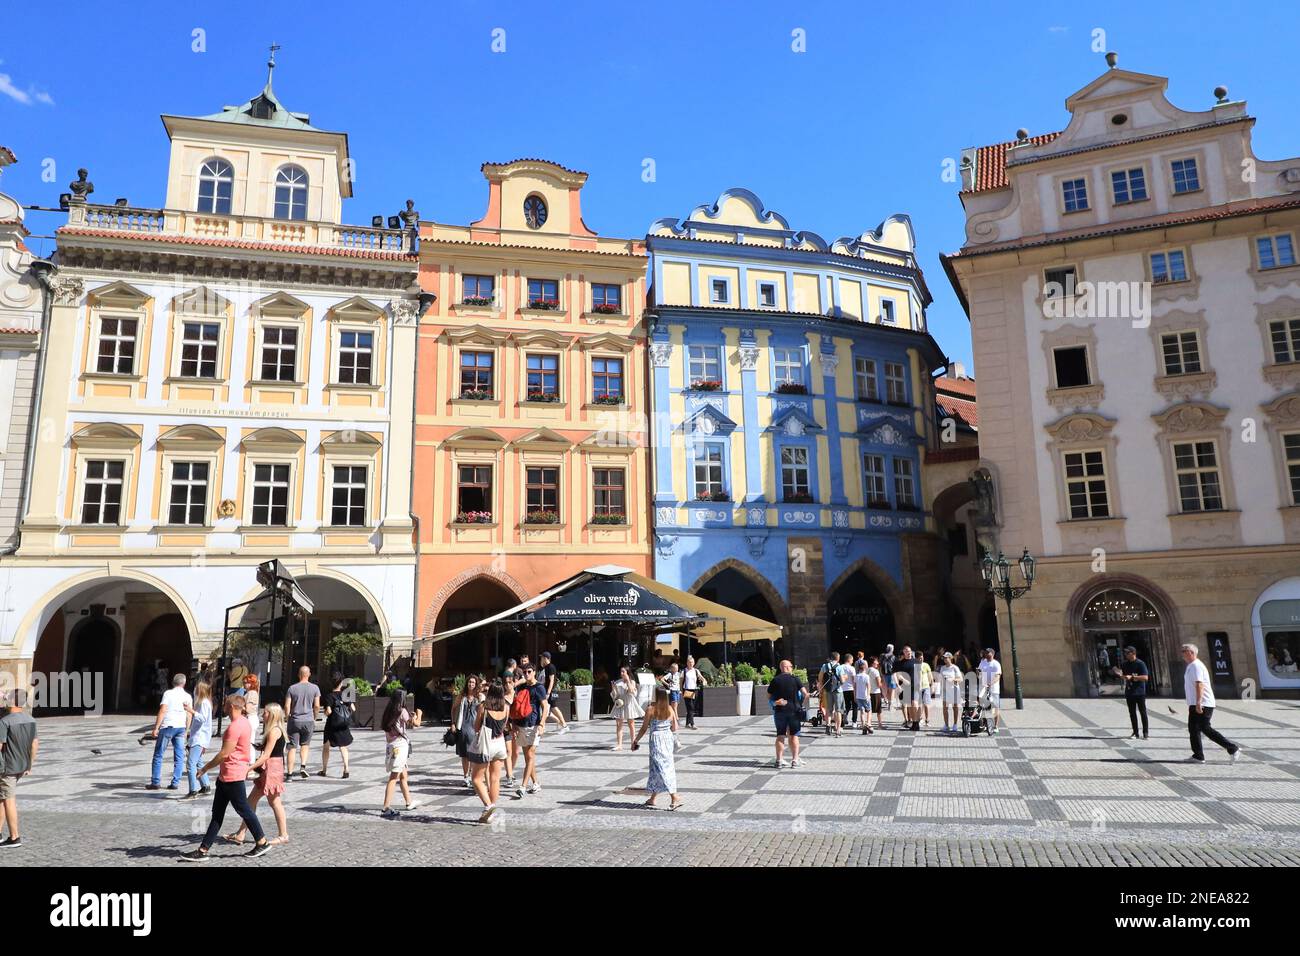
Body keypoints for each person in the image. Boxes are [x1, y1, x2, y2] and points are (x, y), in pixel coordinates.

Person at [180, 694, 272, 860]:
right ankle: (203, 850)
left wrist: (205, 768)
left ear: (231, 707)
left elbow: (224, 753)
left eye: (225, 704)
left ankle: (262, 841)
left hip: (232, 775)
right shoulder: (244, 722)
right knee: (218, 814)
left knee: (243, 809)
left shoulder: (235, 727)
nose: (223, 706)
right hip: (227, 776)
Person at [228, 702, 289, 846]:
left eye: (266, 712)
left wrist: (250, 767)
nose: (263, 714)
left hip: (272, 768)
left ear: (273, 715)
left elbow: (267, 755)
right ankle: (241, 834)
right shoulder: (273, 730)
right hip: (268, 768)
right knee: (250, 802)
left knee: (274, 802)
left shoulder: (274, 731)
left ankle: (284, 835)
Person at [1181, 644, 1240, 763]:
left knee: (1205, 728)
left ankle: (1232, 748)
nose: (1182, 653)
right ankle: (1198, 756)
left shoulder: (1196, 666)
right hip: (1195, 703)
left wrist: (1198, 702)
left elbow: (1199, 684)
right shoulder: (1191, 666)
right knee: (1193, 729)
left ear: (1191, 653)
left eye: (1184, 651)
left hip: (1203, 703)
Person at [0, 688, 38, 849]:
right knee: (2, 798)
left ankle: (15, 837)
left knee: (8, 800)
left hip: (7, 767)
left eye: (8, 698)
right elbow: (34, 744)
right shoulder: (31, 719)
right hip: (21, 765)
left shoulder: (5, 721)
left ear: (13, 701)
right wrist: (30, 764)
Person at [633, 687, 682, 810]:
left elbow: (644, 728)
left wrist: (636, 740)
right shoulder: (670, 709)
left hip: (656, 740)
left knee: (662, 768)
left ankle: (674, 797)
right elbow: (675, 726)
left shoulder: (651, 709)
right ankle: (653, 798)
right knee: (659, 768)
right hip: (667, 738)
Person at [469, 681, 510, 825]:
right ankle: (490, 812)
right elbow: (504, 726)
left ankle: (489, 805)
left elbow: (476, 727)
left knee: (476, 778)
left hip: (487, 743)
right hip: (500, 743)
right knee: (495, 779)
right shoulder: (506, 708)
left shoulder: (483, 707)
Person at [507, 664, 549, 798]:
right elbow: (515, 707)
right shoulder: (522, 687)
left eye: (529, 671)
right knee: (528, 758)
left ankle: (523, 786)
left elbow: (545, 707)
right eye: (524, 672)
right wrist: (513, 724)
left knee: (530, 755)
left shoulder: (539, 688)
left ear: (534, 672)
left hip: (534, 725)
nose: (526, 674)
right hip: (521, 725)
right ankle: (535, 783)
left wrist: (542, 724)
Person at [380, 689, 422, 816]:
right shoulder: (402, 711)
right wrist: (419, 714)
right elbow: (416, 724)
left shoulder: (388, 711)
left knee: (403, 775)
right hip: (400, 746)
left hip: (391, 746)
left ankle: (409, 802)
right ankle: (386, 808)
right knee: (394, 777)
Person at [147, 673, 192, 791]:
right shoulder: (188, 696)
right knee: (179, 756)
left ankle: (155, 782)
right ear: (184, 683)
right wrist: (186, 730)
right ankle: (175, 782)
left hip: (168, 726)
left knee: (158, 754)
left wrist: (156, 727)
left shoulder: (168, 693)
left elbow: (163, 710)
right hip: (180, 727)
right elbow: (189, 714)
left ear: (173, 682)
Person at [283, 666, 321, 779]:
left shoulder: (292, 688)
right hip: (308, 720)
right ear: (309, 674)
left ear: (298, 674)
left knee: (292, 747)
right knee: (305, 745)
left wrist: (287, 717)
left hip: (294, 720)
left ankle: (289, 774)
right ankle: (303, 766)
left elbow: (286, 705)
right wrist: (315, 717)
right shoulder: (315, 688)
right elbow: (317, 706)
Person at [766, 659, 804, 767]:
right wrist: (800, 704)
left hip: (780, 712)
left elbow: (768, 697)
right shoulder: (795, 679)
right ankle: (795, 760)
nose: (792, 668)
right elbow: (805, 693)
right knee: (794, 736)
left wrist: (775, 703)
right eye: (791, 666)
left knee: (780, 735)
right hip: (794, 711)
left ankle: (779, 760)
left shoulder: (775, 680)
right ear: (787, 667)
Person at [319, 672, 355, 778]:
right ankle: (346, 769)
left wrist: (326, 712)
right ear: (341, 683)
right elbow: (353, 708)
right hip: (343, 725)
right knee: (343, 746)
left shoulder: (329, 696)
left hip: (332, 725)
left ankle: (324, 770)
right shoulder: (345, 694)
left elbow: (329, 712)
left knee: (326, 746)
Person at [182, 681, 214, 798]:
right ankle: (205, 785)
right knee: (199, 762)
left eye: (196, 689)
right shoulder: (202, 703)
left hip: (199, 738)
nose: (194, 691)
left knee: (191, 764)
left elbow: (202, 719)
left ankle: (193, 790)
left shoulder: (204, 703)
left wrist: (191, 711)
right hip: (198, 736)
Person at [452, 674, 483, 787]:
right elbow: (453, 708)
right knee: (464, 754)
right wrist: (453, 723)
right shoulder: (462, 696)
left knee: (473, 754)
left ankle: (472, 774)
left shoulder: (479, 697)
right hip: (463, 727)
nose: (471, 684)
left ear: (476, 684)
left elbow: (484, 712)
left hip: (474, 728)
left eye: (473, 682)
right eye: (469, 682)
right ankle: (466, 776)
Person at [610, 665, 644, 750]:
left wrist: (628, 680)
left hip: (629, 703)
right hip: (621, 703)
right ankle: (619, 745)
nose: (621, 673)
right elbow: (615, 696)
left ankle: (633, 743)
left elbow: (632, 692)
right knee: (618, 724)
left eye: (623, 672)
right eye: (621, 672)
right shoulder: (618, 682)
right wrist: (613, 688)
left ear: (627, 673)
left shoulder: (632, 682)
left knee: (631, 724)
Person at [1120, 646, 1150, 740]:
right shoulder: (1125, 664)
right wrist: (1121, 675)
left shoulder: (1140, 664)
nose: (1126, 655)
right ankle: (1135, 732)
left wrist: (1133, 678)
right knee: (1132, 713)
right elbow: (1125, 675)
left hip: (1139, 691)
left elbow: (1145, 677)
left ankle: (1145, 732)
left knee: (1143, 712)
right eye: (1125, 653)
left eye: (1127, 653)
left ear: (1133, 653)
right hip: (1129, 691)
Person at [891, 646, 924, 731]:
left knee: (914, 703)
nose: (908, 652)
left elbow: (919, 673)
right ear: (904, 653)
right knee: (909, 705)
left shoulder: (916, 661)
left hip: (915, 685)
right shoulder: (900, 663)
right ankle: (914, 723)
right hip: (905, 686)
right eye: (906, 651)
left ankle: (916, 722)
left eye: (909, 651)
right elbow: (897, 674)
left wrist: (920, 683)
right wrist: (903, 680)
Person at [539, 652, 570, 735]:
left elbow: (552, 680)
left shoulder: (551, 667)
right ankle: (545, 726)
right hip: (548, 691)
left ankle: (564, 725)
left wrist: (548, 692)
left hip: (550, 691)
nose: (541, 659)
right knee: (547, 708)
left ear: (545, 658)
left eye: (542, 658)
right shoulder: (546, 667)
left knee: (553, 708)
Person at [817, 652, 844, 737]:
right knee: (838, 710)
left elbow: (820, 678)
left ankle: (828, 725)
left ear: (831, 658)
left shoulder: (824, 666)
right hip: (838, 691)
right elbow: (842, 681)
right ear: (838, 658)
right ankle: (838, 730)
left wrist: (821, 689)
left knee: (829, 709)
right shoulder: (840, 667)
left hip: (828, 690)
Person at [978, 648, 1003, 733]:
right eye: (986, 652)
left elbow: (998, 676)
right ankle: (985, 725)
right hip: (984, 688)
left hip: (994, 689)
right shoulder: (983, 662)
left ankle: (995, 726)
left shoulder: (996, 664)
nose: (986, 654)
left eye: (988, 652)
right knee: (985, 707)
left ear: (992, 654)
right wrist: (979, 676)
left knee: (995, 707)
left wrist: (990, 683)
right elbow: (979, 672)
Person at [938, 653, 963, 733]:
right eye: (944, 658)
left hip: (954, 690)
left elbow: (960, 679)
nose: (945, 659)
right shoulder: (942, 668)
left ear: (950, 658)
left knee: (955, 707)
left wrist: (952, 680)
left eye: (946, 658)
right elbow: (940, 678)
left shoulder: (955, 668)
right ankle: (946, 725)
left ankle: (955, 724)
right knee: (945, 708)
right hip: (945, 690)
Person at [680, 655, 707, 729]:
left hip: (694, 690)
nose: (691, 663)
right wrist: (681, 690)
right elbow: (681, 681)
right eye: (689, 662)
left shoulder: (696, 671)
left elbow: (701, 678)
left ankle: (687, 723)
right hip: (687, 690)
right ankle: (692, 724)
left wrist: (704, 681)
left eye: (692, 662)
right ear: (687, 663)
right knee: (690, 707)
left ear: (694, 663)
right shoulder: (684, 671)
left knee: (691, 708)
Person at [240, 673, 261, 749]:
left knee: (249, 743)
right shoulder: (251, 692)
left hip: (250, 718)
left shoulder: (251, 693)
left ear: (251, 683)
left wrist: (238, 706)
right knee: (249, 742)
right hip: (251, 718)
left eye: (246, 683)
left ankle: (250, 760)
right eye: (243, 682)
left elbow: (248, 709)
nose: (244, 684)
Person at [853, 659, 873, 734]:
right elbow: (868, 687)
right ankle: (868, 723)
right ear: (865, 668)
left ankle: (863, 725)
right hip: (865, 696)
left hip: (858, 696)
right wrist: (868, 695)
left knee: (862, 711)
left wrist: (855, 696)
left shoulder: (856, 676)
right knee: (869, 710)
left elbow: (854, 687)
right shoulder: (866, 676)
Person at [838, 654, 857, 728]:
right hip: (851, 689)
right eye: (852, 660)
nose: (852, 662)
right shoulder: (851, 668)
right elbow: (854, 680)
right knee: (855, 705)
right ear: (849, 660)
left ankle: (844, 716)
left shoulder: (840, 667)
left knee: (845, 705)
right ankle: (854, 722)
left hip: (842, 689)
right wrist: (856, 689)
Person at [867, 656, 885, 731]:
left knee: (869, 710)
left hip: (868, 692)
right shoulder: (875, 671)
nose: (878, 663)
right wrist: (882, 683)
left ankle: (869, 723)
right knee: (879, 710)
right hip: (876, 692)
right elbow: (879, 684)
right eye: (876, 661)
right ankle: (880, 724)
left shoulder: (867, 670)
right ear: (873, 662)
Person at [879, 644, 897, 714]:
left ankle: (889, 702)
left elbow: (880, 666)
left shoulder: (882, 656)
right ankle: (890, 703)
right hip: (891, 674)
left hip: (885, 674)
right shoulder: (893, 657)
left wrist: (881, 674)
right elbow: (895, 667)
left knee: (887, 690)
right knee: (891, 690)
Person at [918, 655, 934, 728]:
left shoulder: (926, 665)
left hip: (926, 686)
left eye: (922, 657)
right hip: (917, 688)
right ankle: (920, 719)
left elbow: (930, 675)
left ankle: (927, 720)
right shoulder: (915, 665)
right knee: (919, 704)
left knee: (926, 704)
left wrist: (932, 684)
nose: (921, 659)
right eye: (919, 658)